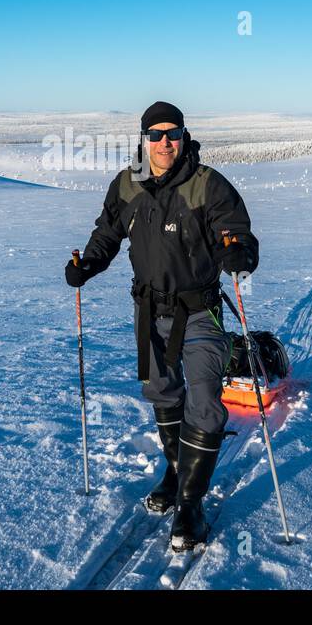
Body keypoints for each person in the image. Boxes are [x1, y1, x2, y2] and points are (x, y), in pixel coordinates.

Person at [65, 101, 259, 551]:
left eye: (173, 133)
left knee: (206, 401)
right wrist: (88, 264)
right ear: (143, 139)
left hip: (199, 310)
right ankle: (174, 472)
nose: (165, 142)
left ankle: (190, 504)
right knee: (162, 392)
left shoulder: (206, 184)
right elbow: (108, 232)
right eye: (156, 134)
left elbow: (238, 233)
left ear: (184, 135)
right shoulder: (127, 185)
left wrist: (239, 254)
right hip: (150, 311)